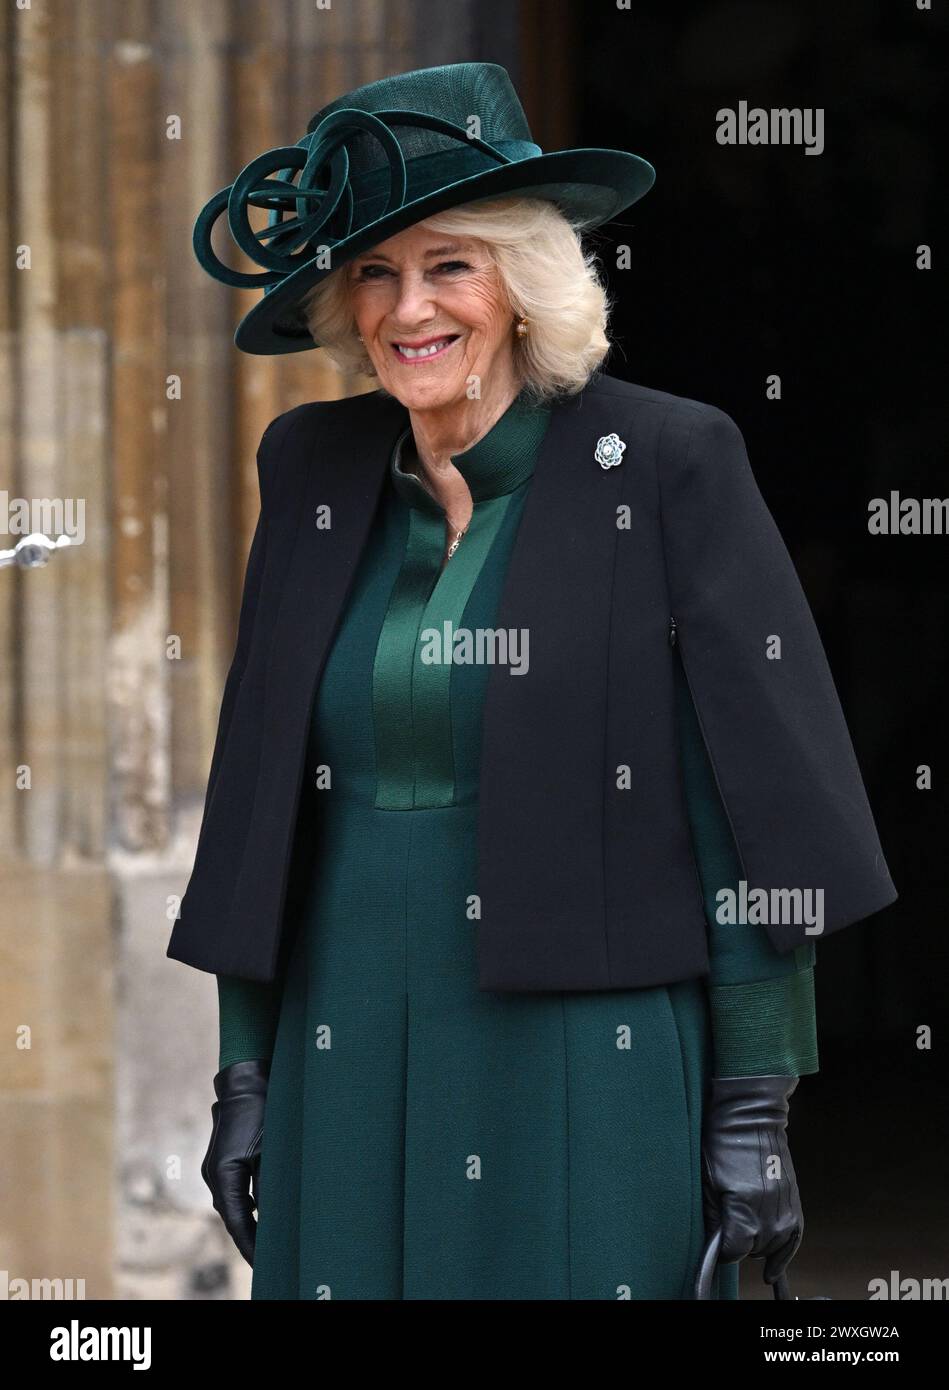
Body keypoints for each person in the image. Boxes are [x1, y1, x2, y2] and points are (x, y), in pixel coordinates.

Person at [171, 62, 897, 1300]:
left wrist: (753, 1100)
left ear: (523, 286)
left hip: (578, 1055)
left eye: (450, 263)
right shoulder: (310, 464)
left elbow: (751, 801)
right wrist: (246, 1070)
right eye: (374, 272)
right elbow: (260, 802)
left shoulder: (666, 460)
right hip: (341, 1041)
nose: (410, 308)